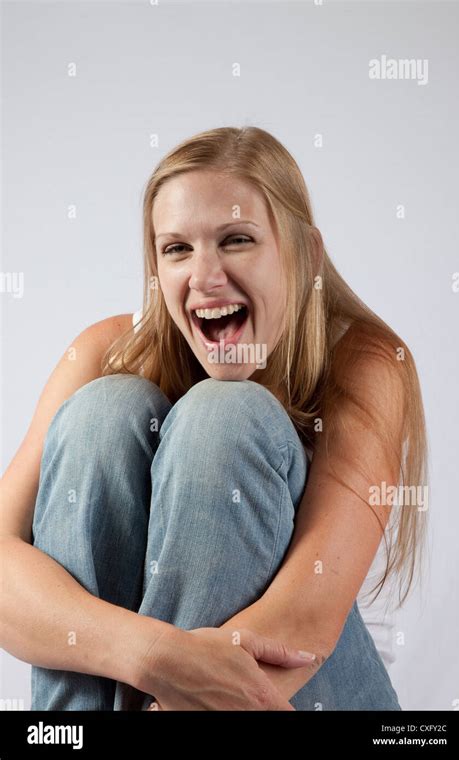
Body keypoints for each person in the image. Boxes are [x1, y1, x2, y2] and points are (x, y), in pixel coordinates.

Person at [0, 126, 428, 711]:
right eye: (177, 249)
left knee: (222, 418)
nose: (204, 277)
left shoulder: (367, 362)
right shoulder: (107, 353)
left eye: (236, 240)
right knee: (103, 412)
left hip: (303, 696)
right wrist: (150, 656)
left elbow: (308, 619)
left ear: (305, 254)